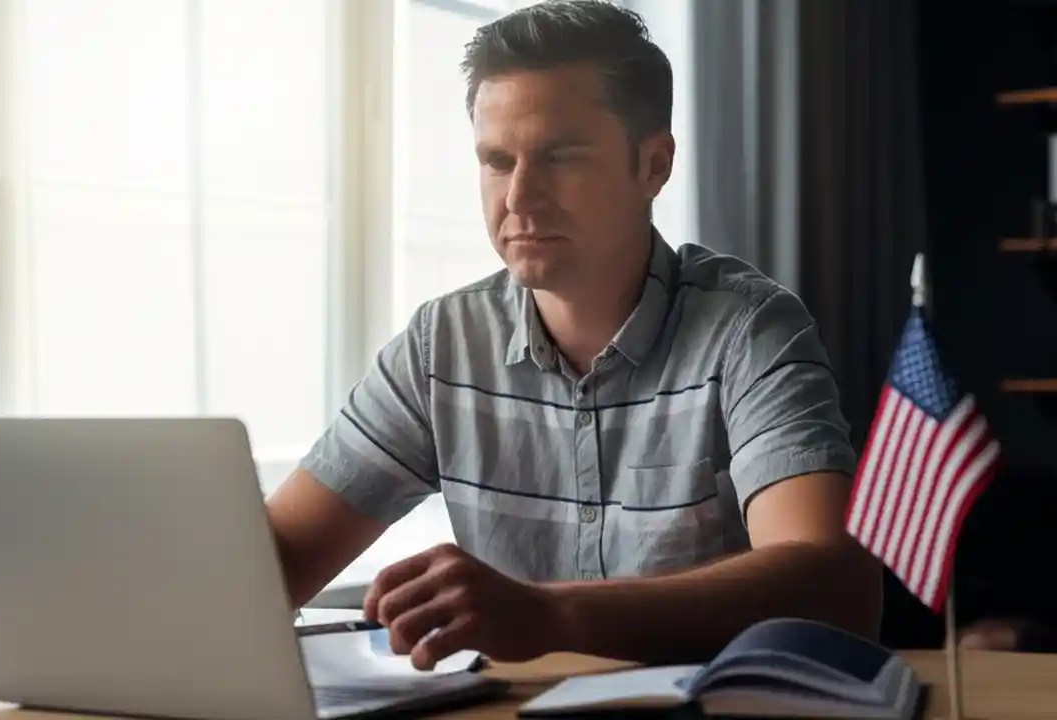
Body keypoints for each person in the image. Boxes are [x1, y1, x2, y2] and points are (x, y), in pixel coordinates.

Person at [266, 0, 882, 670]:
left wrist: (551, 614)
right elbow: (270, 567)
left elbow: (830, 588)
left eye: (558, 157)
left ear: (653, 165)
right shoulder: (440, 346)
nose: (519, 197)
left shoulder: (748, 330)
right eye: (497, 161)